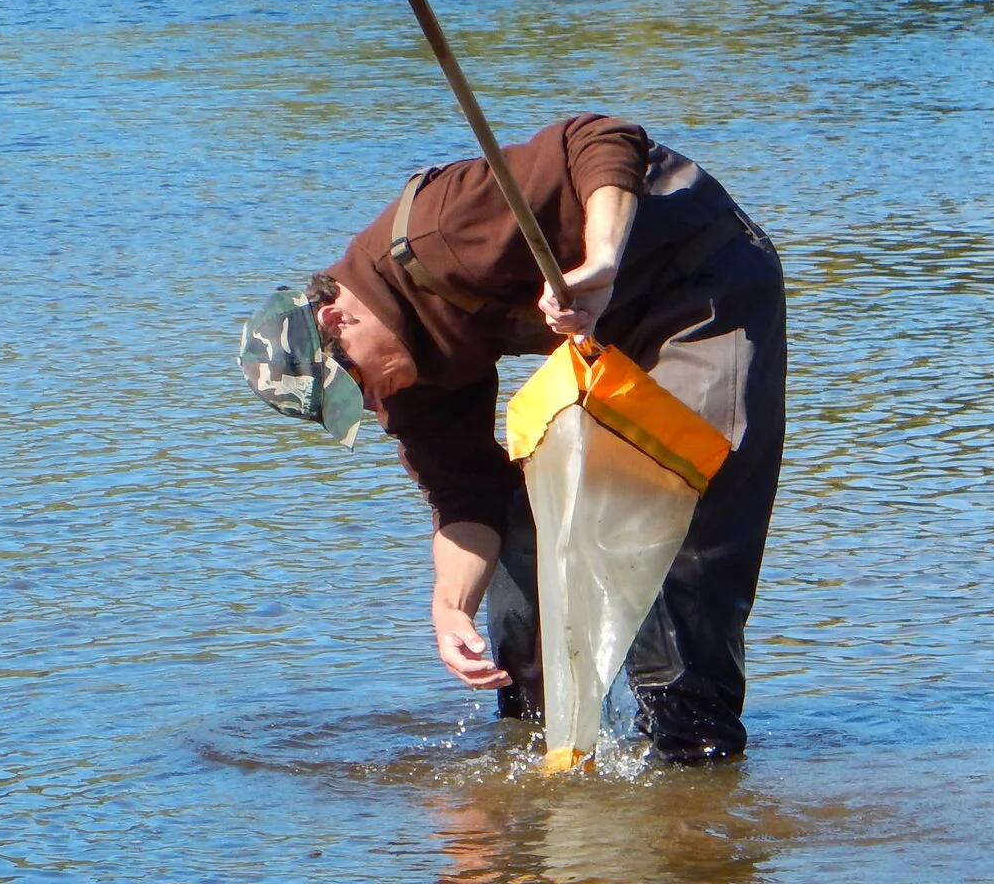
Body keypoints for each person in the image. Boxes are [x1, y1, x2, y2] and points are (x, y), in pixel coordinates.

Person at [243, 114, 784, 761]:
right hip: (608, 333)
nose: (373, 402)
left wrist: (601, 261)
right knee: (520, 535)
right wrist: (449, 609)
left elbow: (606, 138)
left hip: (704, 280)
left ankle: (693, 764)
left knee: (681, 538)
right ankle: (541, 739)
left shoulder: (440, 231)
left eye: (354, 385)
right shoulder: (401, 377)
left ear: (337, 317)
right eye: (350, 405)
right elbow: (467, 496)